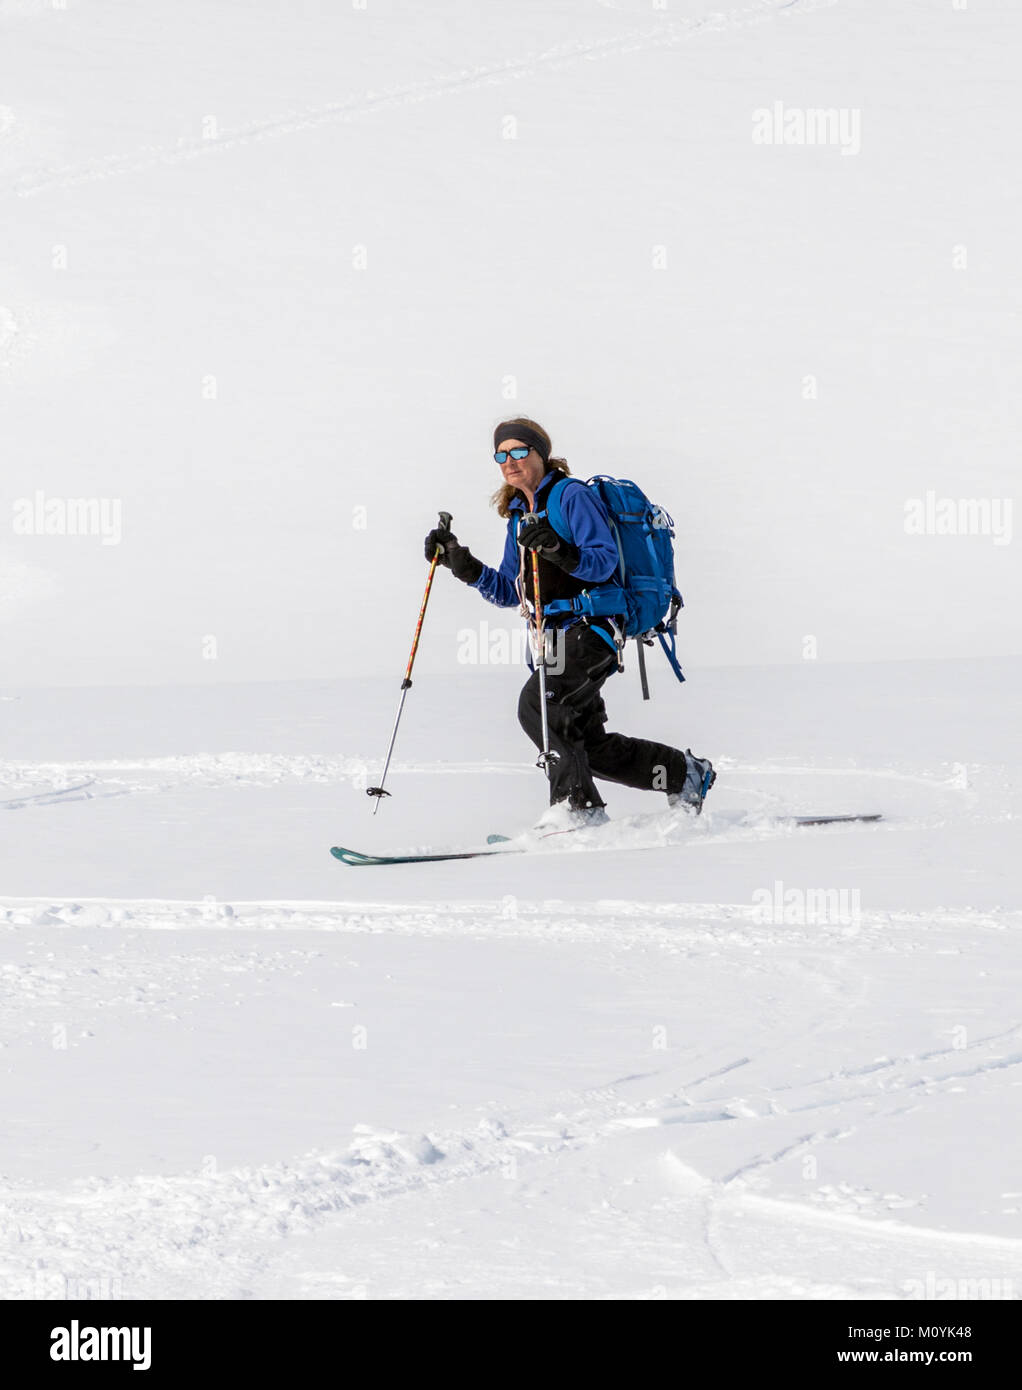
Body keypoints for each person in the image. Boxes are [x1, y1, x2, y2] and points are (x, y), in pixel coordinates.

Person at [424, 417, 715, 832]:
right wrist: (463, 564)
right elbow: (512, 590)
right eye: (501, 454)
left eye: (519, 451)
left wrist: (558, 549)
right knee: (587, 744)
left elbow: (602, 562)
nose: (510, 461)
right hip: (552, 638)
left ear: (540, 453)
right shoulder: (519, 515)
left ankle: (576, 808)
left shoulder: (570, 496)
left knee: (541, 703)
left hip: (592, 626)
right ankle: (684, 774)